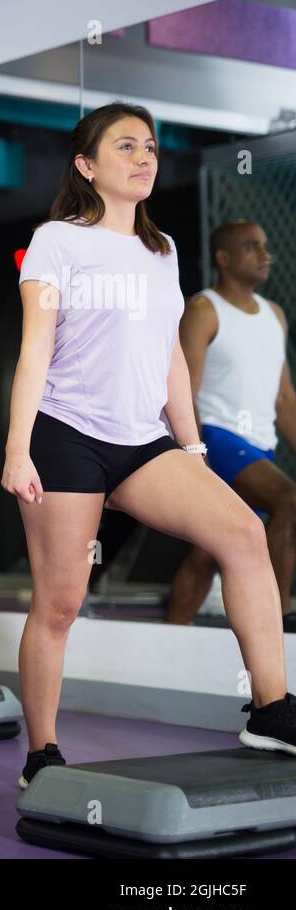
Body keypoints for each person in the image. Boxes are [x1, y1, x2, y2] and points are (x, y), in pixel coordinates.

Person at [3, 103, 296, 789]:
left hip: (144, 440)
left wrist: (191, 449)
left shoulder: (160, 251)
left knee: (246, 535)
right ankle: (42, 751)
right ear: (87, 165)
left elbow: (168, 360)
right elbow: (34, 351)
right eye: (126, 146)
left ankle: (271, 708)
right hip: (67, 434)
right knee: (60, 603)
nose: (144, 157)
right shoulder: (56, 242)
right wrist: (18, 450)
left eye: (152, 147)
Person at [165, 220, 296, 630]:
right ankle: (276, 619)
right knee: (288, 500)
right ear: (223, 258)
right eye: (251, 247)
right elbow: (185, 388)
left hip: (260, 447)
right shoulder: (204, 310)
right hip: (218, 438)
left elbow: (285, 399)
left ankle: (171, 636)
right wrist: (191, 455)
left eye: (265, 245)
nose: (264, 254)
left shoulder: (274, 315)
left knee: (209, 553)